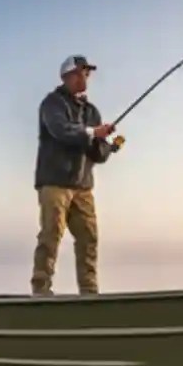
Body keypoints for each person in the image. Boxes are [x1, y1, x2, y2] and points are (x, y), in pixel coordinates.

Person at [31, 54, 121, 295]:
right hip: (54, 183)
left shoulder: (92, 111)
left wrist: (105, 142)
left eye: (87, 73)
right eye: (81, 72)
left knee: (89, 239)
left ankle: (90, 293)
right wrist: (93, 132)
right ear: (67, 76)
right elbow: (62, 131)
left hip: (83, 185)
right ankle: (41, 290)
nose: (86, 77)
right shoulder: (52, 103)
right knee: (51, 235)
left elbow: (98, 155)